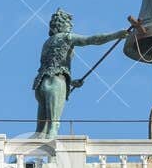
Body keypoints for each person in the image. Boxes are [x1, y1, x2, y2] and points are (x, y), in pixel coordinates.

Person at [32, 9, 130, 139]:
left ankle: (21, 155)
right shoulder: (67, 37)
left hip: (41, 85)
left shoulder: (47, 42)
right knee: (53, 127)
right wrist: (116, 35)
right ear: (62, 25)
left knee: (40, 132)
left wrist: (71, 82)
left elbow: (50, 65)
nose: (71, 27)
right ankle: (53, 157)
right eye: (68, 24)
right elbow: (92, 39)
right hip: (56, 83)